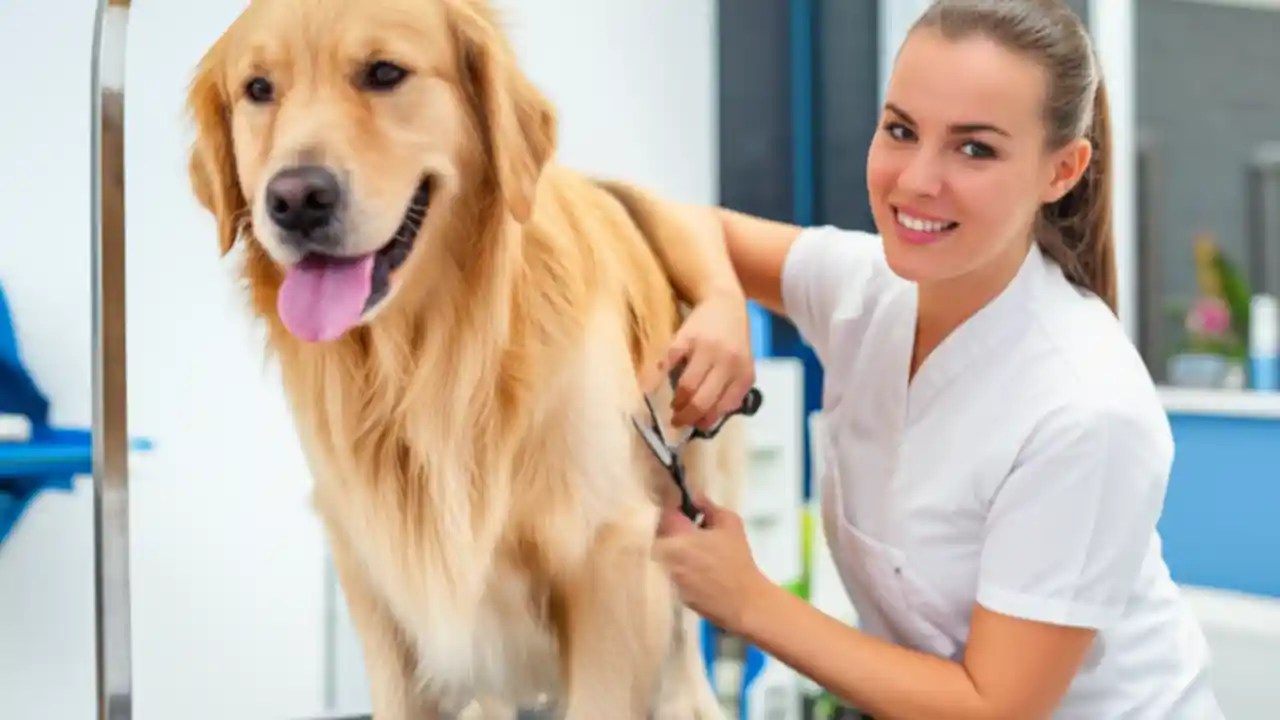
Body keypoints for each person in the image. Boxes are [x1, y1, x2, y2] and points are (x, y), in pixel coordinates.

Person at [647, 1, 1224, 717]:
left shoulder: (1086, 409)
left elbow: (993, 708)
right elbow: (683, 224)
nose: (917, 180)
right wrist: (721, 304)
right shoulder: (868, 290)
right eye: (900, 130)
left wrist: (748, 601)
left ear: (1062, 170)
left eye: (974, 148)